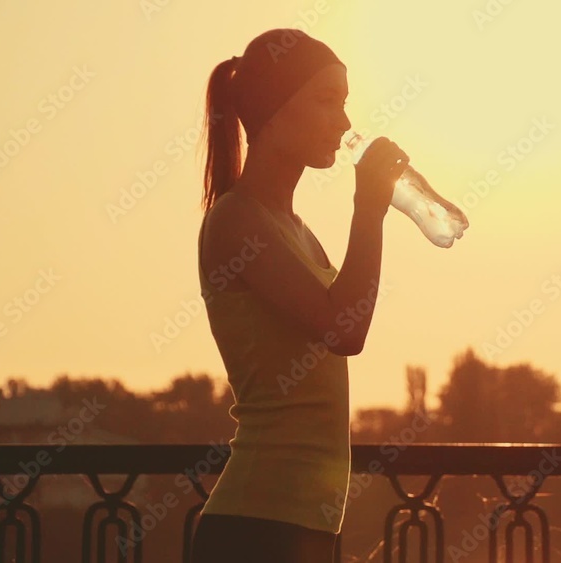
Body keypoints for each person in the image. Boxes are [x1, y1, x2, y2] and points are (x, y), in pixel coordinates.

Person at [189, 28, 409, 562]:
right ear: (275, 109)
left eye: (345, 103)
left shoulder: (297, 230)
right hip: (256, 527)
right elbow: (346, 329)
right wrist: (369, 209)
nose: (346, 122)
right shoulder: (237, 221)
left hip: (303, 526)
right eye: (327, 100)